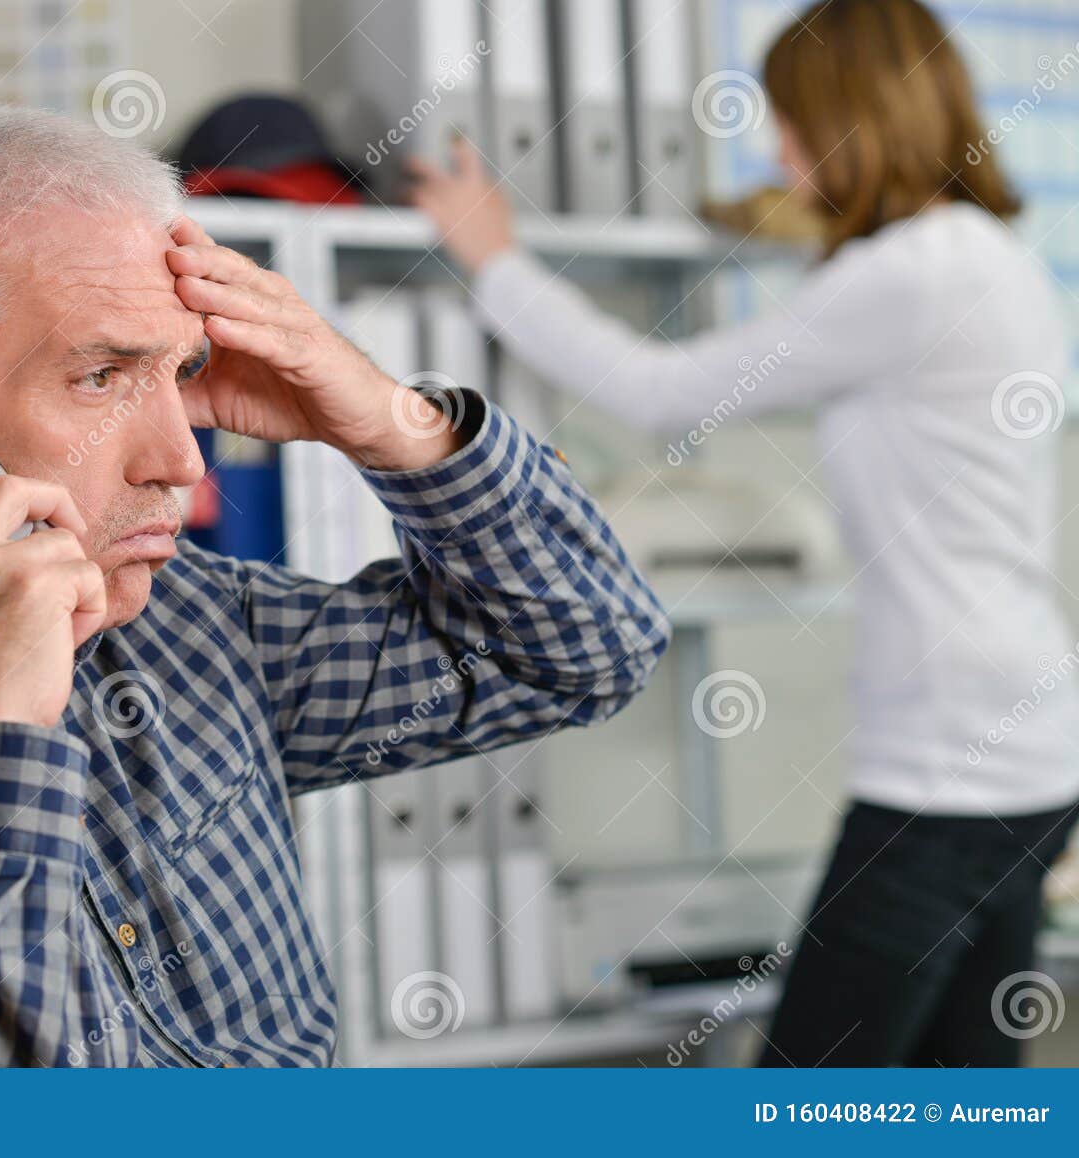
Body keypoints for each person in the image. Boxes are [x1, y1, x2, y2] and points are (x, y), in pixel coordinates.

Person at [0, 105, 669, 1066]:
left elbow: (580, 648)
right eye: (101, 376)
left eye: (181, 373)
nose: (183, 463)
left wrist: (393, 425)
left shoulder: (177, 624)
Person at [410, 0, 1079, 1066]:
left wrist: (495, 261)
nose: (777, 146)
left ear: (857, 123)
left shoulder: (909, 272)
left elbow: (664, 390)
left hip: (951, 765)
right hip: (1026, 748)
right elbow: (833, 286)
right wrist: (758, 212)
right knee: (960, 1091)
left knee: (804, 1090)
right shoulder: (983, 254)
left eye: (793, 123)